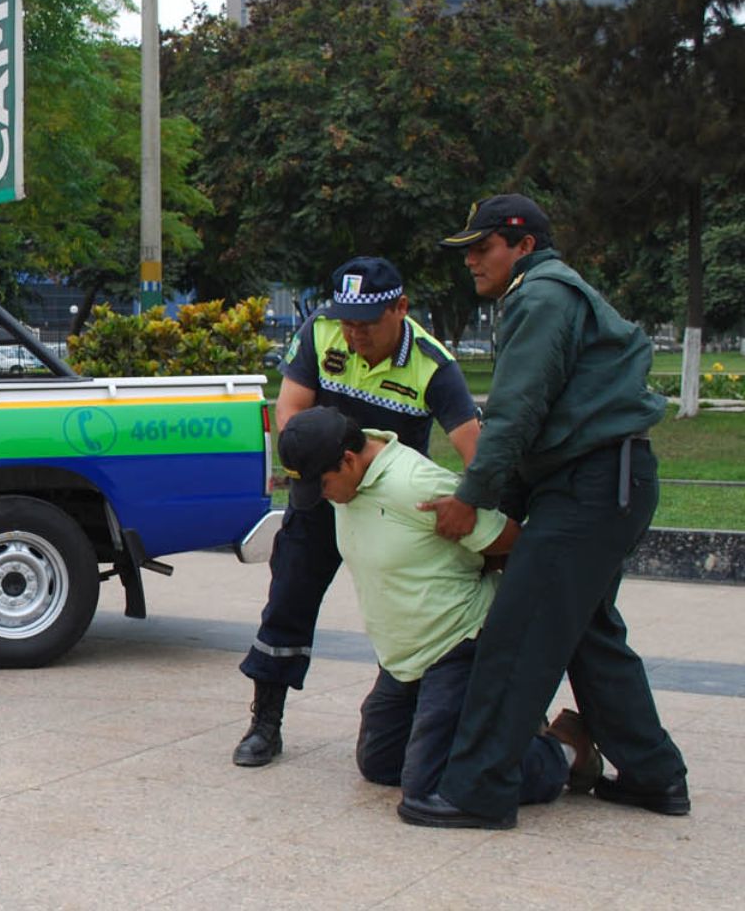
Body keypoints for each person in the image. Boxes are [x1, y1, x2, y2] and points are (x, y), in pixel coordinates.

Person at [403, 193, 688, 829]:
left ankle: (477, 791)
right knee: (588, 635)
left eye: (483, 248)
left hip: (590, 487)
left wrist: (471, 499)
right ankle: (653, 776)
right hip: (603, 483)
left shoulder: (541, 296)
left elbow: (515, 412)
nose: (471, 261)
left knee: (520, 631)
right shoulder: (543, 293)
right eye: (468, 250)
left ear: (523, 245)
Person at [278, 407, 596, 815]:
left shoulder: (414, 484)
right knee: (380, 764)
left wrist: (483, 558)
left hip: (455, 642)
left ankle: (566, 750)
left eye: (321, 486)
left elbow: (512, 539)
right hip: (402, 657)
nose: (322, 497)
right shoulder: (347, 483)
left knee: (431, 790)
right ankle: (483, 732)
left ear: (349, 460)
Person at [233, 257, 481, 767]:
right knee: (287, 601)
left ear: (401, 309)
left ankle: (411, 705)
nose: (352, 335)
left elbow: (477, 450)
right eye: (346, 321)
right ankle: (265, 722)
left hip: (389, 506)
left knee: (402, 608)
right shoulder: (321, 332)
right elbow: (291, 412)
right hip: (324, 488)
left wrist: (468, 500)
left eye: (365, 325)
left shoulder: (433, 365)